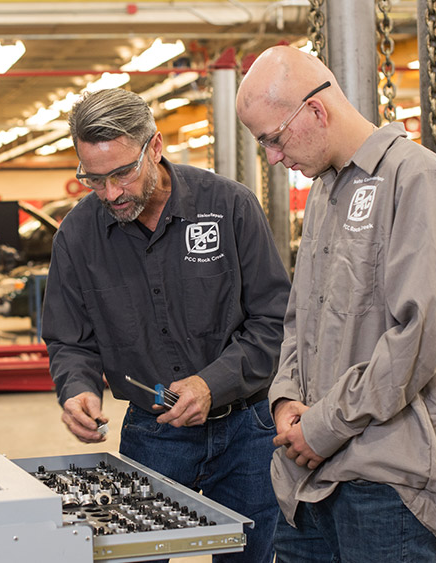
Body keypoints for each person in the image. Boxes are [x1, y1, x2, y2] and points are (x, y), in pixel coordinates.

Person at [235, 46, 436, 562]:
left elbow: (426, 331)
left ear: (316, 111)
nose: (274, 158)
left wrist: (325, 426)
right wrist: (283, 401)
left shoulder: (415, 180)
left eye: (273, 140)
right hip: (308, 475)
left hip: (386, 483)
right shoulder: (326, 193)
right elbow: (298, 318)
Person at [41, 87, 292, 563]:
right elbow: (70, 339)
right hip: (154, 433)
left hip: (247, 431)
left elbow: (274, 321)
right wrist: (77, 389)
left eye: (121, 174)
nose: (110, 193)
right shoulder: (78, 235)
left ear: (154, 147)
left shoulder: (230, 207)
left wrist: (210, 384)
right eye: (93, 179)